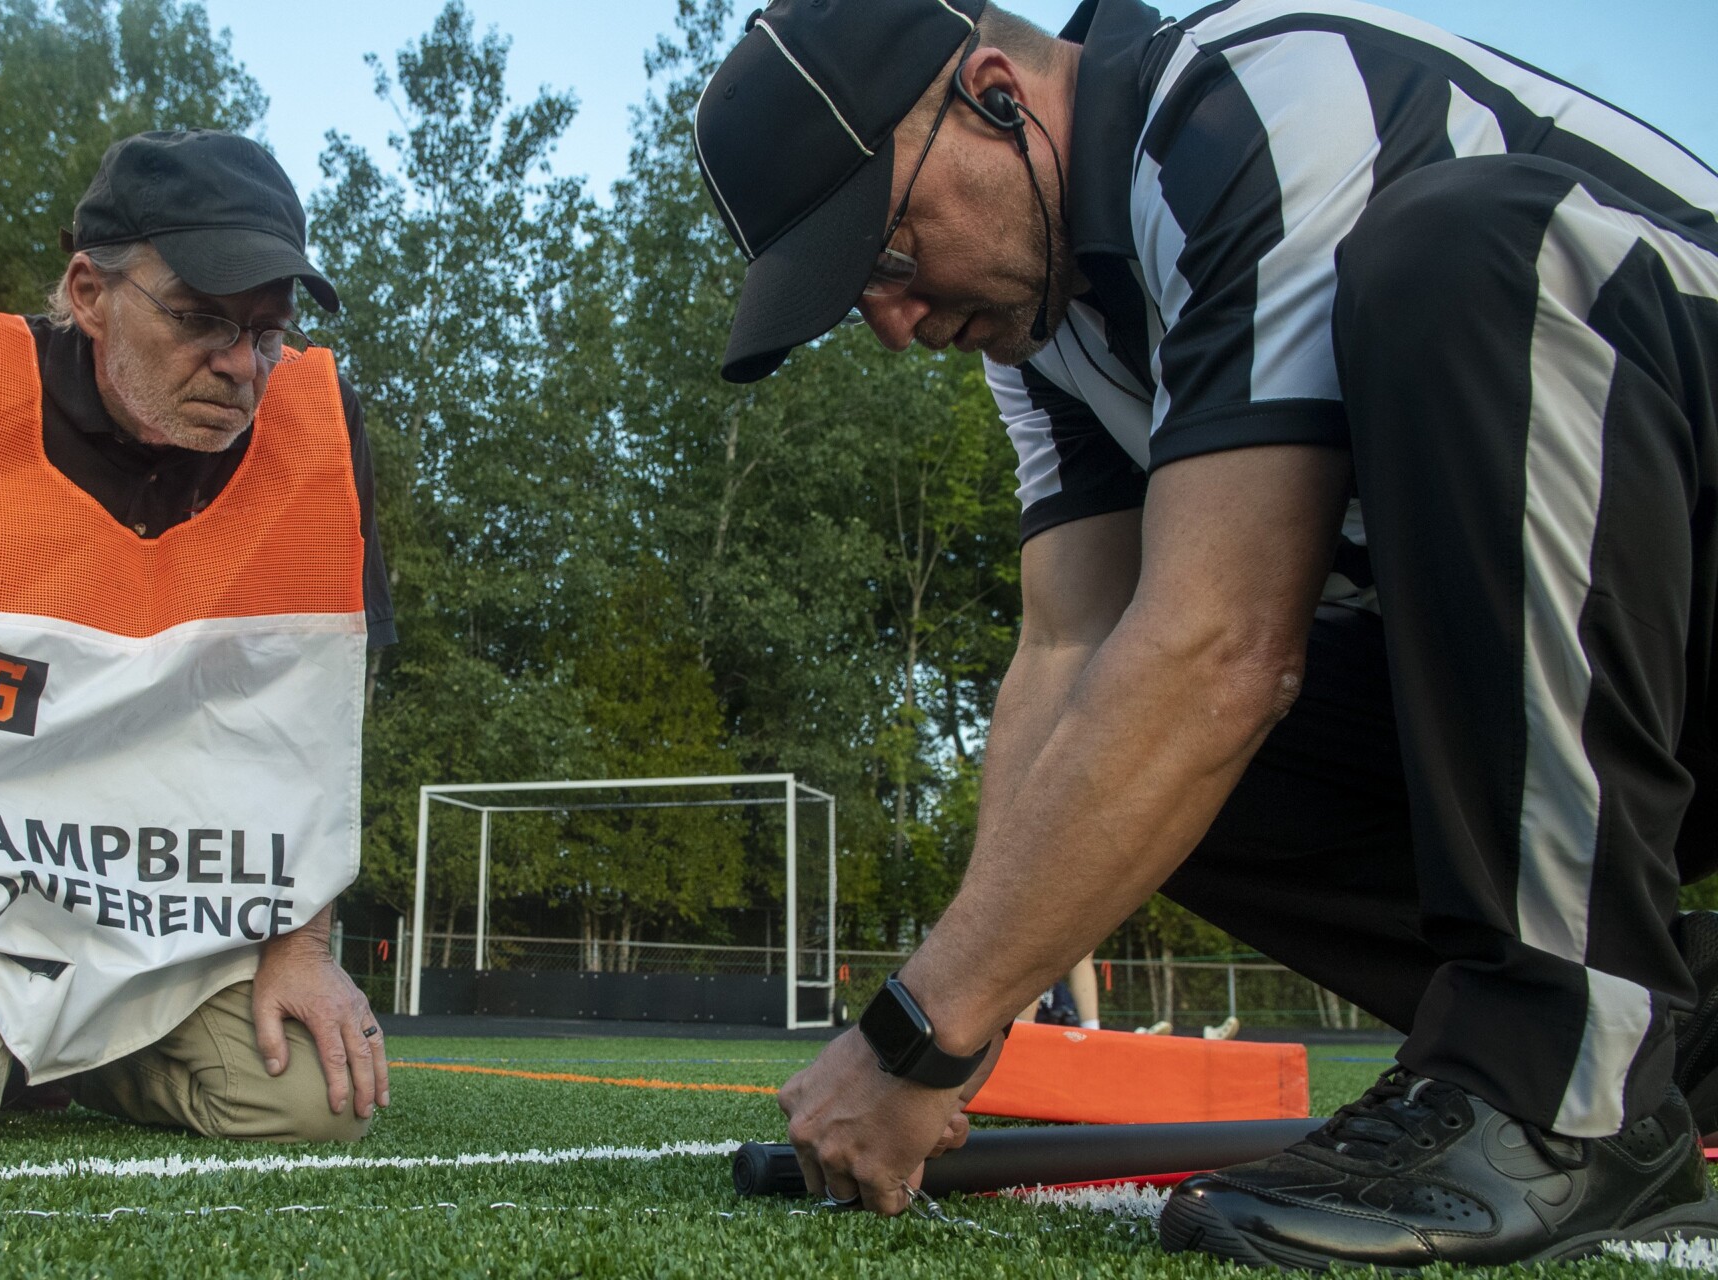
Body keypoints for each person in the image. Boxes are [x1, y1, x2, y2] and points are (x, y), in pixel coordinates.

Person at [694, 0, 1718, 1267]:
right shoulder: (1045, 336)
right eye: (857, 292)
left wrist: (917, 1031)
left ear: (996, 95)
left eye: (890, 246)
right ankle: (1677, 1038)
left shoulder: (1251, 100)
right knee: (1117, 774)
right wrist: (968, 1027)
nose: (892, 319)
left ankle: (1556, 1077)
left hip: (1680, 554)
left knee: (1462, 252)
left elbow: (1220, 647)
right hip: (1620, 671)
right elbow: (1068, 656)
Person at [0, 130, 397, 1150]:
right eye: (199, 319)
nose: (241, 366)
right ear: (89, 291)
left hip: (186, 929)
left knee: (316, 1099)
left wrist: (300, 944)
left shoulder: (319, 436)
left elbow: (317, 722)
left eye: (266, 331)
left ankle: (78, 1062)